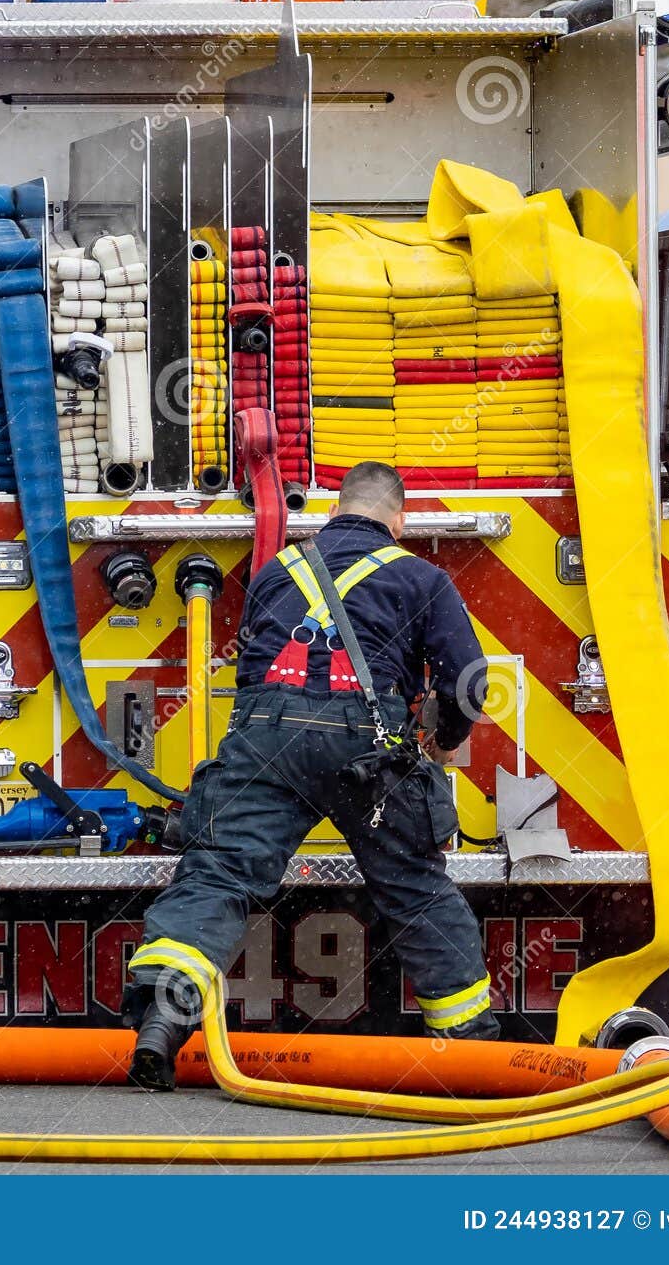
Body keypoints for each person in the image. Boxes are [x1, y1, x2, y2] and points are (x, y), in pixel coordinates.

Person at [124, 460, 497, 1089]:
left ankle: (164, 1013)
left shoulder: (278, 569)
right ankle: (470, 1051)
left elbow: (251, 669)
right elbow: (470, 681)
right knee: (414, 887)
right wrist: (443, 738)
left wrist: (264, 740)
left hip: (268, 741)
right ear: (398, 518)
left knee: (219, 872)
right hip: (368, 755)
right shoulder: (422, 577)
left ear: (335, 509)